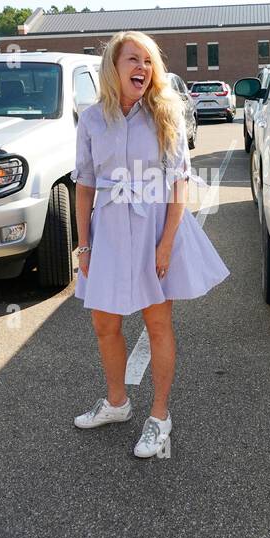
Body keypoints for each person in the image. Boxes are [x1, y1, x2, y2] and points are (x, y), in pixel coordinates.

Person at [70, 31, 229, 458]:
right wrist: (83, 245)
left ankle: (159, 417)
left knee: (157, 324)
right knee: (105, 324)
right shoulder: (91, 120)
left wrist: (166, 244)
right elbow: (84, 184)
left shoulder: (166, 113)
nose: (142, 68)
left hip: (155, 226)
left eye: (148, 61)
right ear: (113, 68)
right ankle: (117, 402)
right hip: (108, 229)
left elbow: (179, 185)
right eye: (132, 60)